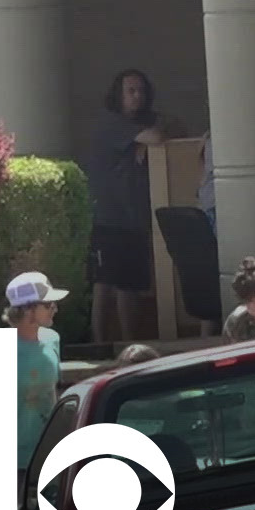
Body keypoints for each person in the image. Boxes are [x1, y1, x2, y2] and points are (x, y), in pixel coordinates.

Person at [83, 69, 175, 343]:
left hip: (132, 217)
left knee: (127, 285)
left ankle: (126, 344)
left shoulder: (138, 127)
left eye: (141, 91)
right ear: (118, 96)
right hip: (110, 217)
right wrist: (149, 135)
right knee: (108, 285)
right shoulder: (114, 124)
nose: (137, 96)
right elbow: (157, 137)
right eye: (131, 91)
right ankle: (107, 345)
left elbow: (172, 129)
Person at [7, 271, 66, 480]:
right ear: (29, 309)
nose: (55, 308)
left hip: (51, 455)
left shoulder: (53, 339)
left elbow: (54, 393)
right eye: (49, 304)